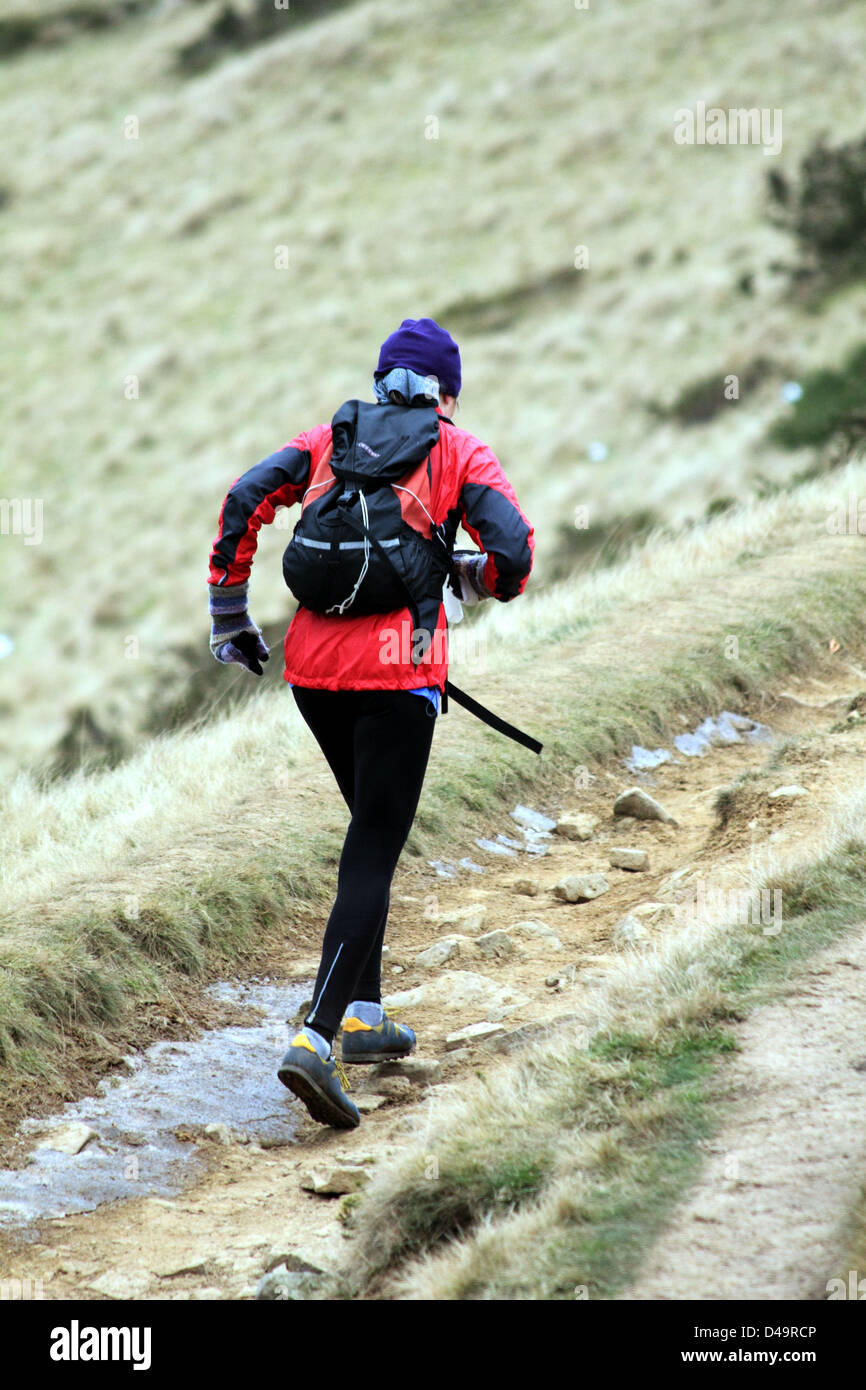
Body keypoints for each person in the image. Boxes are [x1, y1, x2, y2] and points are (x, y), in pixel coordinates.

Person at [206, 317, 534, 1128]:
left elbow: (245, 497)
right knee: (375, 848)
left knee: (367, 831)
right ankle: (315, 1039)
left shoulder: (330, 438)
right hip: (399, 672)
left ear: (383, 377)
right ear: (446, 393)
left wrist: (228, 613)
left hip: (313, 671)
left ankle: (363, 1016)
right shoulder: (458, 452)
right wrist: (473, 575)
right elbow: (514, 554)